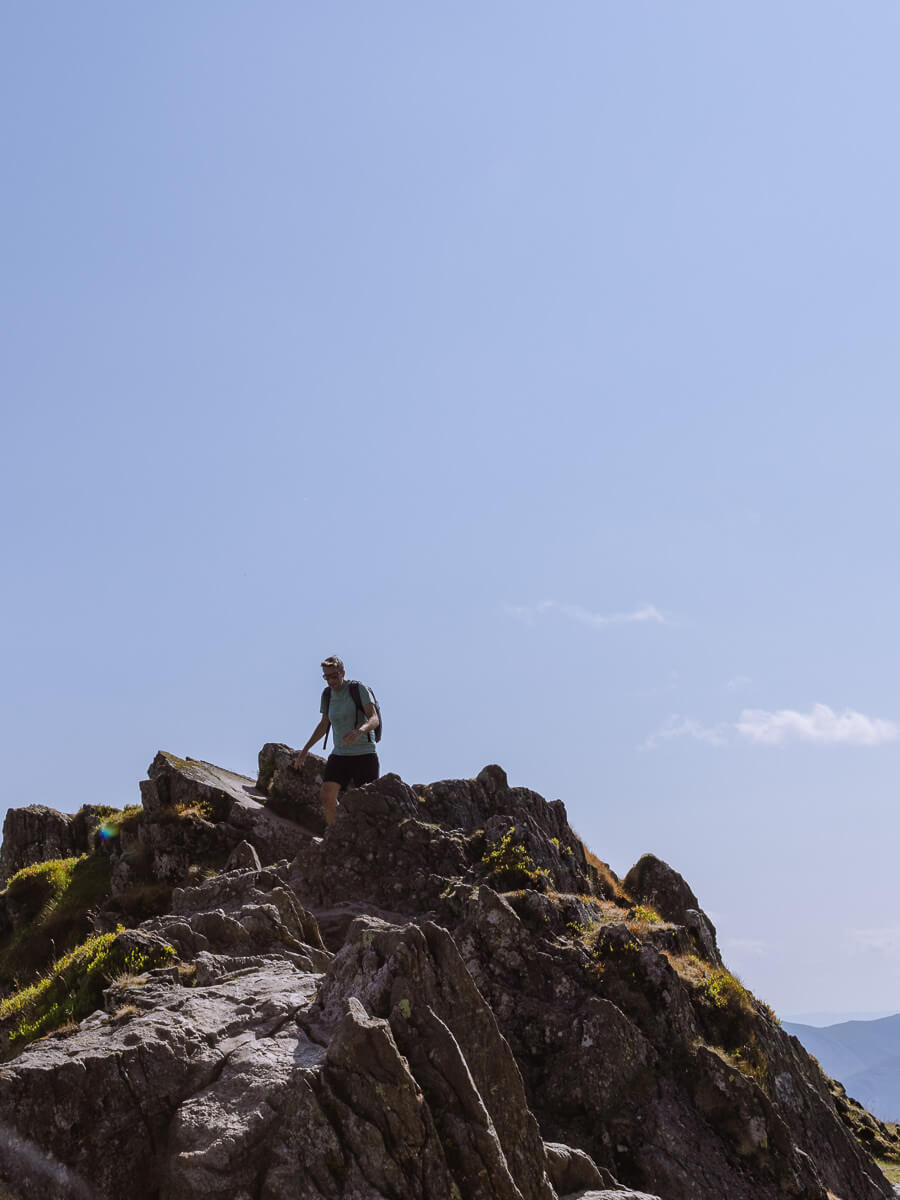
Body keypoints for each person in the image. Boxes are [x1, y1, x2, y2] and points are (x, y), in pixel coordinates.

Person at [293, 656, 380, 825]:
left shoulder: (358, 689)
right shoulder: (327, 695)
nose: (330, 681)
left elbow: (374, 718)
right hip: (340, 754)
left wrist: (359, 731)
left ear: (343, 673)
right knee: (327, 796)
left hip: (365, 754)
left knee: (367, 805)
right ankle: (335, 834)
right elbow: (324, 724)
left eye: (334, 676)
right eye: (326, 677)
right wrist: (304, 751)